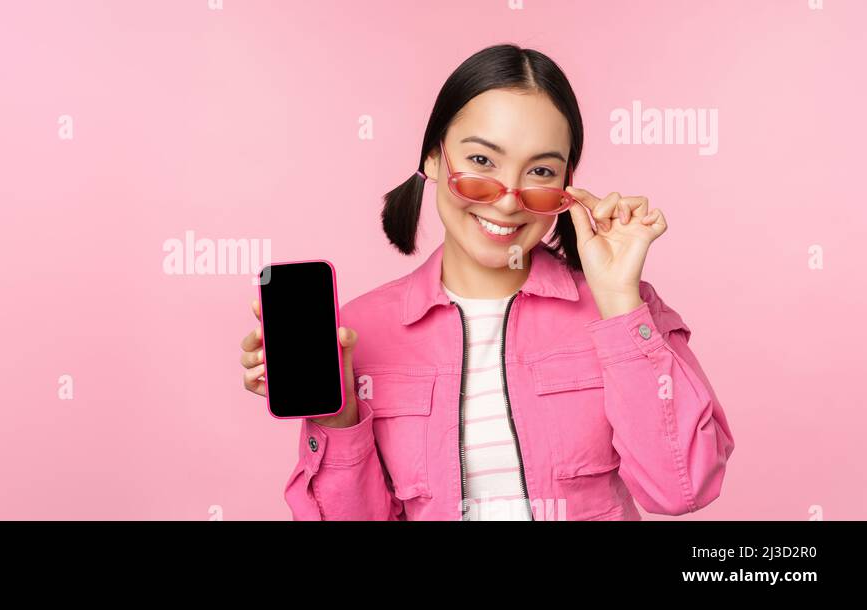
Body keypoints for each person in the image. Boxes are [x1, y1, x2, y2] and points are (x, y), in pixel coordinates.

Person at [239, 44, 734, 520]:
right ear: (433, 157)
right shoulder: (358, 331)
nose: (506, 200)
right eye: (481, 162)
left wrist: (620, 302)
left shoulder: (623, 311)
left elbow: (682, 489)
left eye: (540, 170)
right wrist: (335, 416)